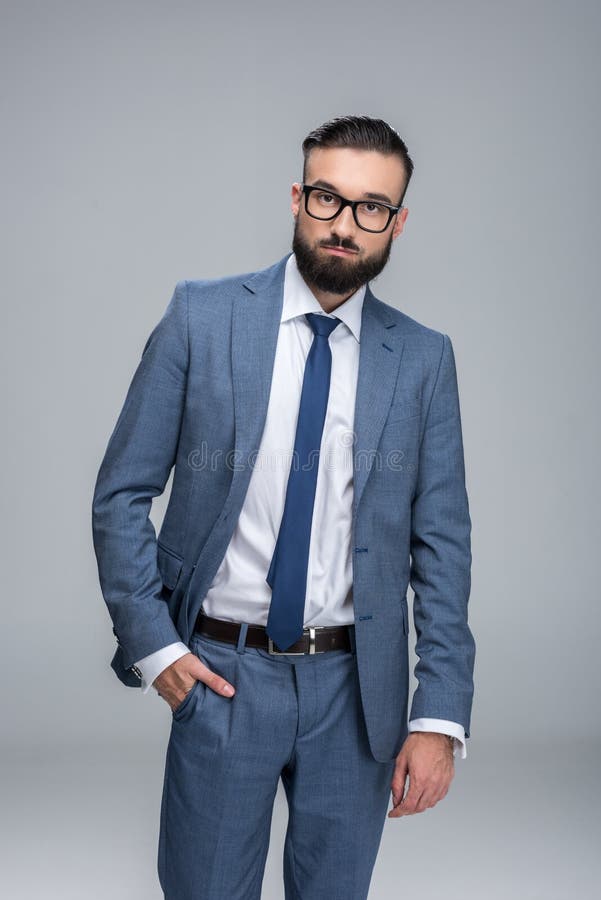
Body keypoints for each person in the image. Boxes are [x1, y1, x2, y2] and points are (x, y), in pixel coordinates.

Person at [92, 114, 476, 900]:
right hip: (221, 675)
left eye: (371, 207)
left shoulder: (422, 359)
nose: (344, 224)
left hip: (356, 693)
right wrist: (156, 647)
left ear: (397, 222)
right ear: (297, 198)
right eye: (327, 198)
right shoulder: (202, 318)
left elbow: (441, 547)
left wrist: (437, 716)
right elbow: (121, 493)